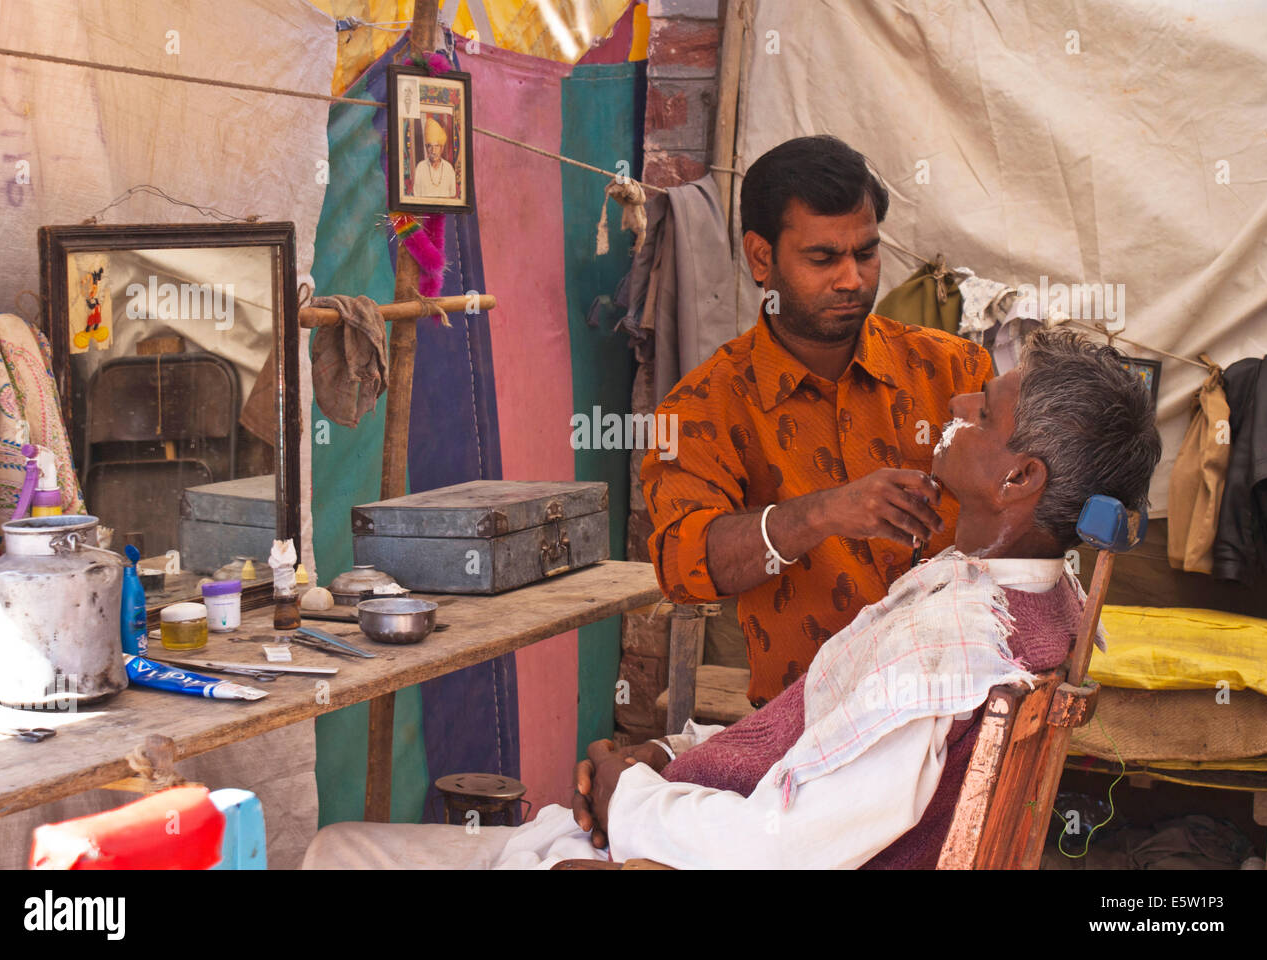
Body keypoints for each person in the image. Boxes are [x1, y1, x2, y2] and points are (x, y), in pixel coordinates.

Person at [301, 330, 1162, 869]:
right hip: (699, 814)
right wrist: (669, 756)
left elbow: (786, 848)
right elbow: (808, 743)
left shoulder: (958, 652)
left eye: (987, 409)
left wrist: (627, 800)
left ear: (1017, 477)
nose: (962, 400)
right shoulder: (1024, 609)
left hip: (711, 851)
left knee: (342, 848)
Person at [639, 135, 993, 710]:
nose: (852, 279)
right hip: (806, 728)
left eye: (866, 253)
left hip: (961, 705)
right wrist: (823, 513)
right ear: (761, 257)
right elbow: (686, 564)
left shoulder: (955, 370)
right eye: (823, 259)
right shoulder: (702, 406)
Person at [412, 116, 456, 199]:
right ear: (426, 148)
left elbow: (453, 195)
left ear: (442, 148)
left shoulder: (448, 168)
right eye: (430, 146)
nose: (433, 151)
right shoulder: (420, 167)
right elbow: (416, 195)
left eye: (436, 146)